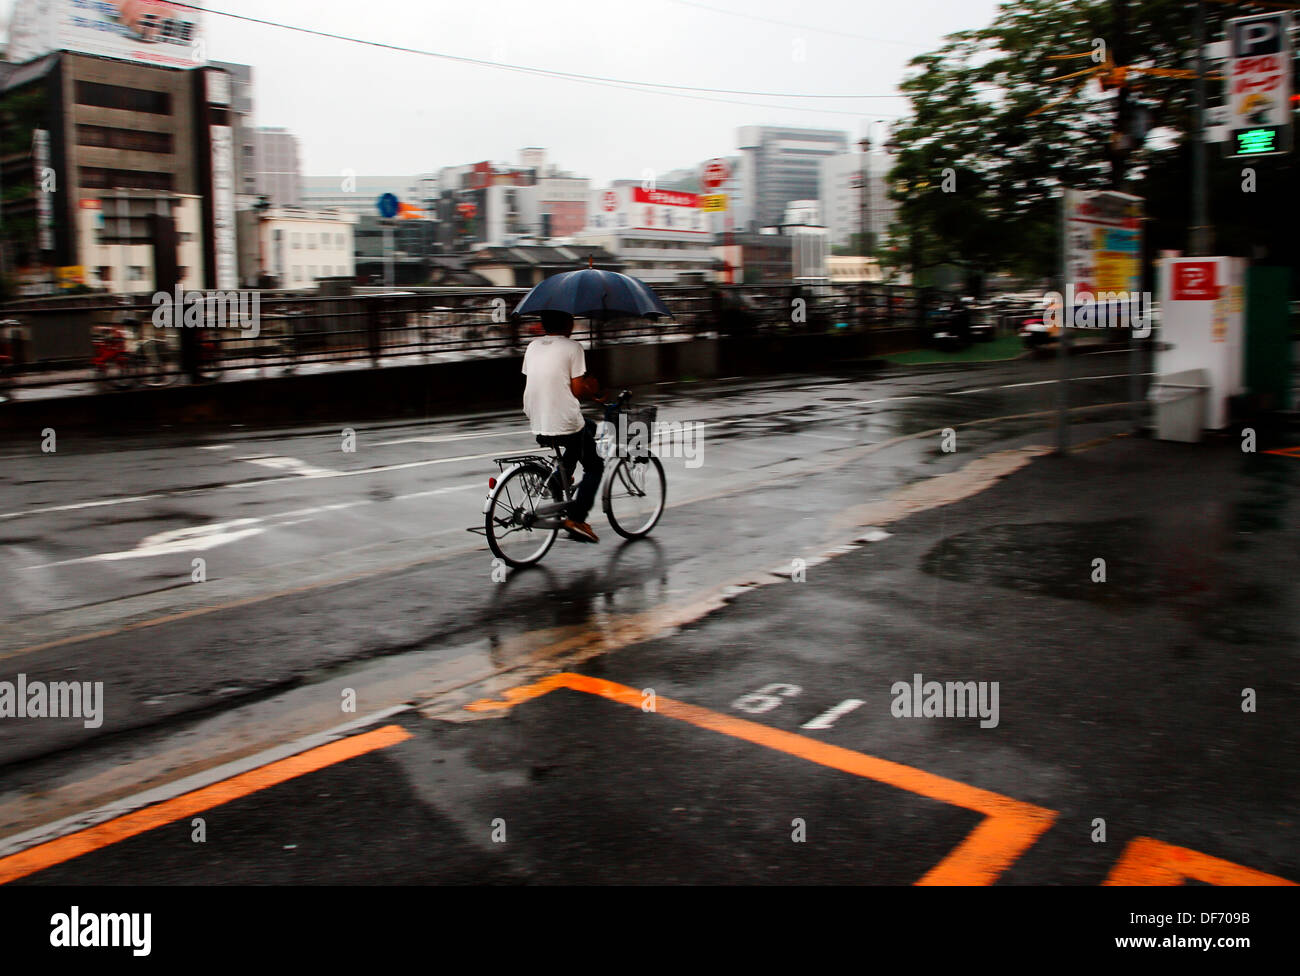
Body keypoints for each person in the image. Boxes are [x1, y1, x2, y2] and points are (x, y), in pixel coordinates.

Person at [521, 310, 604, 544]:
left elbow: (544, 378)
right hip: (564, 421)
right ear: (568, 323)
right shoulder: (573, 347)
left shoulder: (532, 346)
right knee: (595, 466)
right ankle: (576, 518)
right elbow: (576, 390)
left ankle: (559, 478)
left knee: (588, 427)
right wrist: (591, 389)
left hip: (537, 419)